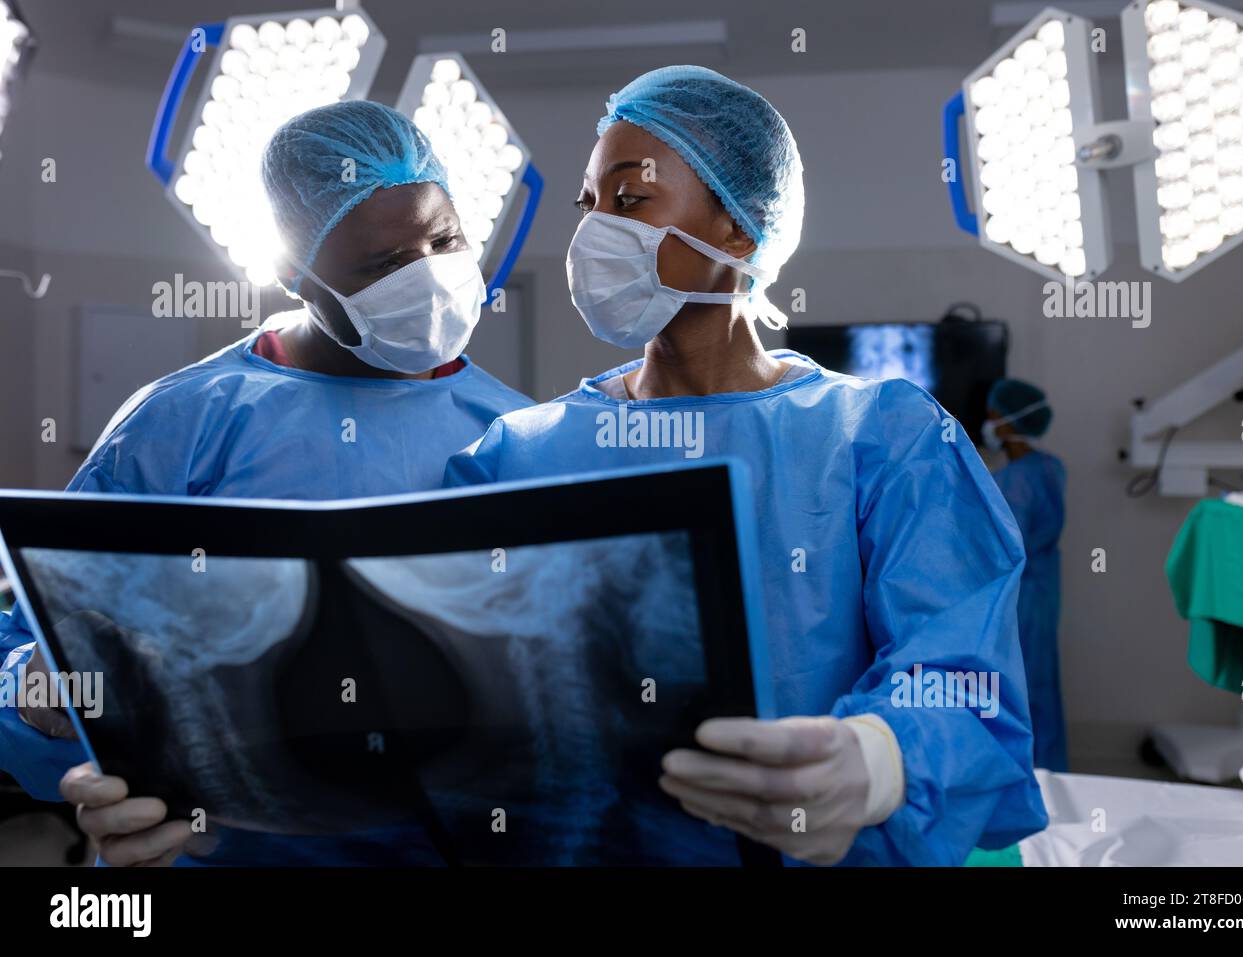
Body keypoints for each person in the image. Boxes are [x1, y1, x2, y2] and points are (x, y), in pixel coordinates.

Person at [445, 65, 1047, 865]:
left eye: (630, 200)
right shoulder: (519, 453)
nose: (594, 233)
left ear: (741, 230)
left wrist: (873, 759)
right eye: (588, 205)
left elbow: (962, 679)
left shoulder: (881, 437)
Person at [0, 100, 531, 865]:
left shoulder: (513, 430)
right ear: (295, 273)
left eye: (444, 240)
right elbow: (31, 647)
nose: (432, 279)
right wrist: (47, 699)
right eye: (383, 266)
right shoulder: (183, 423)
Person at [982, 378, 1068, 772]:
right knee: (1040, 686)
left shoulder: (1012, 482)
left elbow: (1002, 546)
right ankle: (1049, 771)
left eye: (995, 417)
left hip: (1017, 594)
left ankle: (1023, 779)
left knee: (1016, 687)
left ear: (1010, 422)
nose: (989, 423)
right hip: (1044, 586)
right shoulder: (1051, 468)